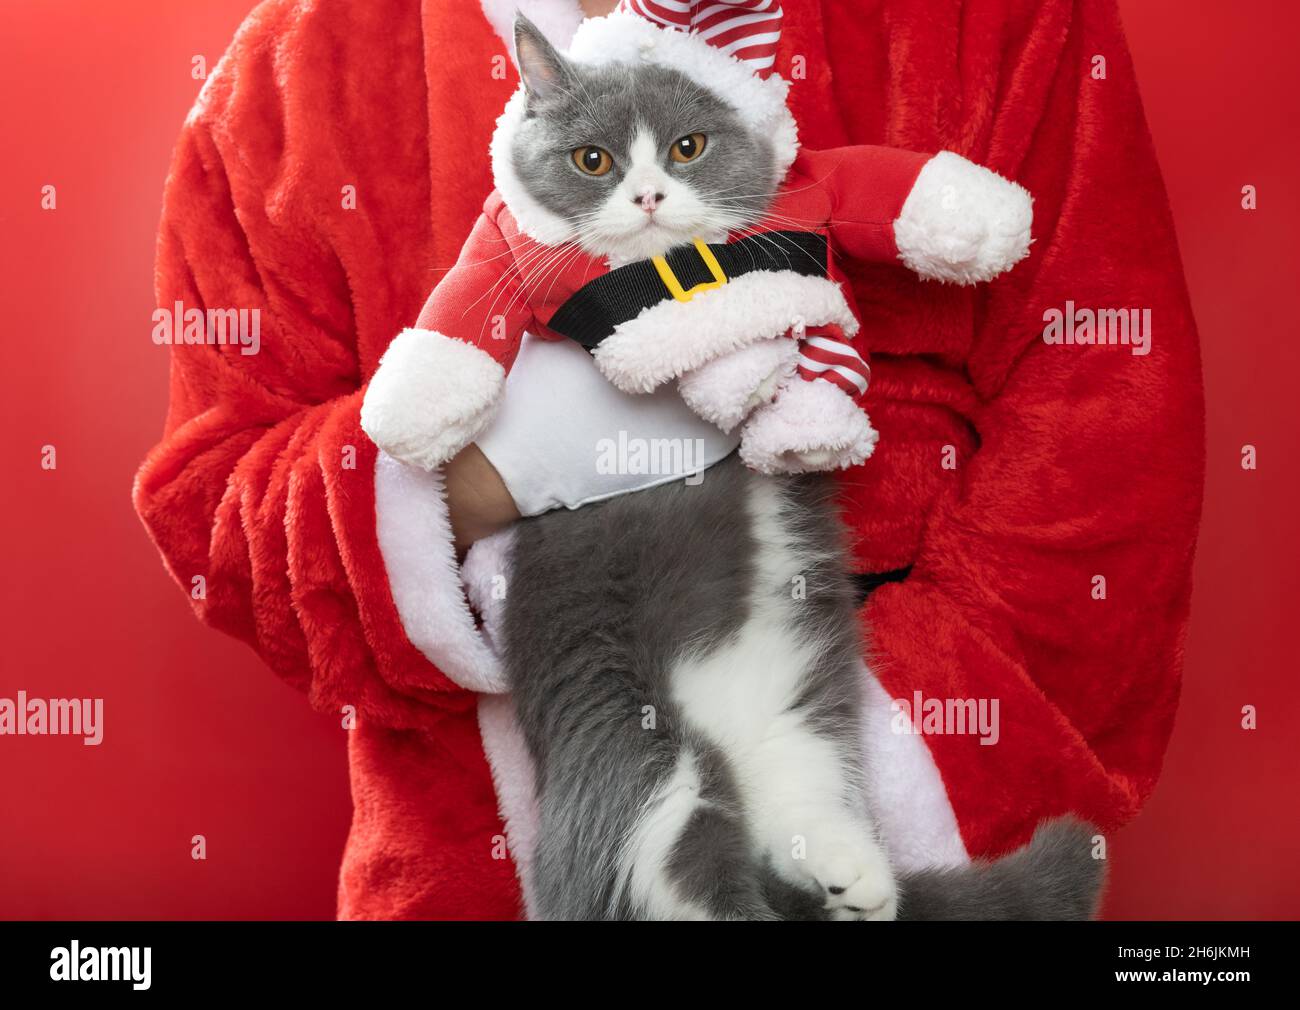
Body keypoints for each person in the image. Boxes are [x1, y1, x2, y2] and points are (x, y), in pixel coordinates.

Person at [134, 0, 1204, 919]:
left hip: (890, 774)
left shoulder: (989, 20)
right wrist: (502, 462)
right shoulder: (295, 75)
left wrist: (823, 801)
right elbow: (211, 509)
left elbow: (1110, 439)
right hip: (479, 842)